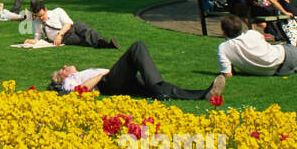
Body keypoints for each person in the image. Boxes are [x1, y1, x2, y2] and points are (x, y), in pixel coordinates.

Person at [50, 41, 226, 102]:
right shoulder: (69, 81)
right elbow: (80, 91)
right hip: (107, 83)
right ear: (62, 77)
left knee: (159, 85)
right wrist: (101, 75)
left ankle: (203, 94)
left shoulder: (76, 74)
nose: (66, 66)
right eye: (62, 69)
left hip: (115, 81)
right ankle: (157, 90)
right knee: (137, 47)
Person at [216, 14, 297, 76]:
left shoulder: (224, 48)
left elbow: (227, 74)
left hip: (274, 70)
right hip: (282, 55)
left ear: (224, 32)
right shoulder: (252, 34)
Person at [24, 4, 117, 49]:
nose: (40, 18)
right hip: (66, 39)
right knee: (83, 40)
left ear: (46, 10)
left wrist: (60, 34)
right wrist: (32, 41)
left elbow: (68, 23)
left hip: (68, 30)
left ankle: (102, 42)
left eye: (42, 15)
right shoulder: (36, 22)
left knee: (80, 26)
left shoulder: (57, 11)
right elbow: (38, 37)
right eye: (38, 16)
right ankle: (105, 44)